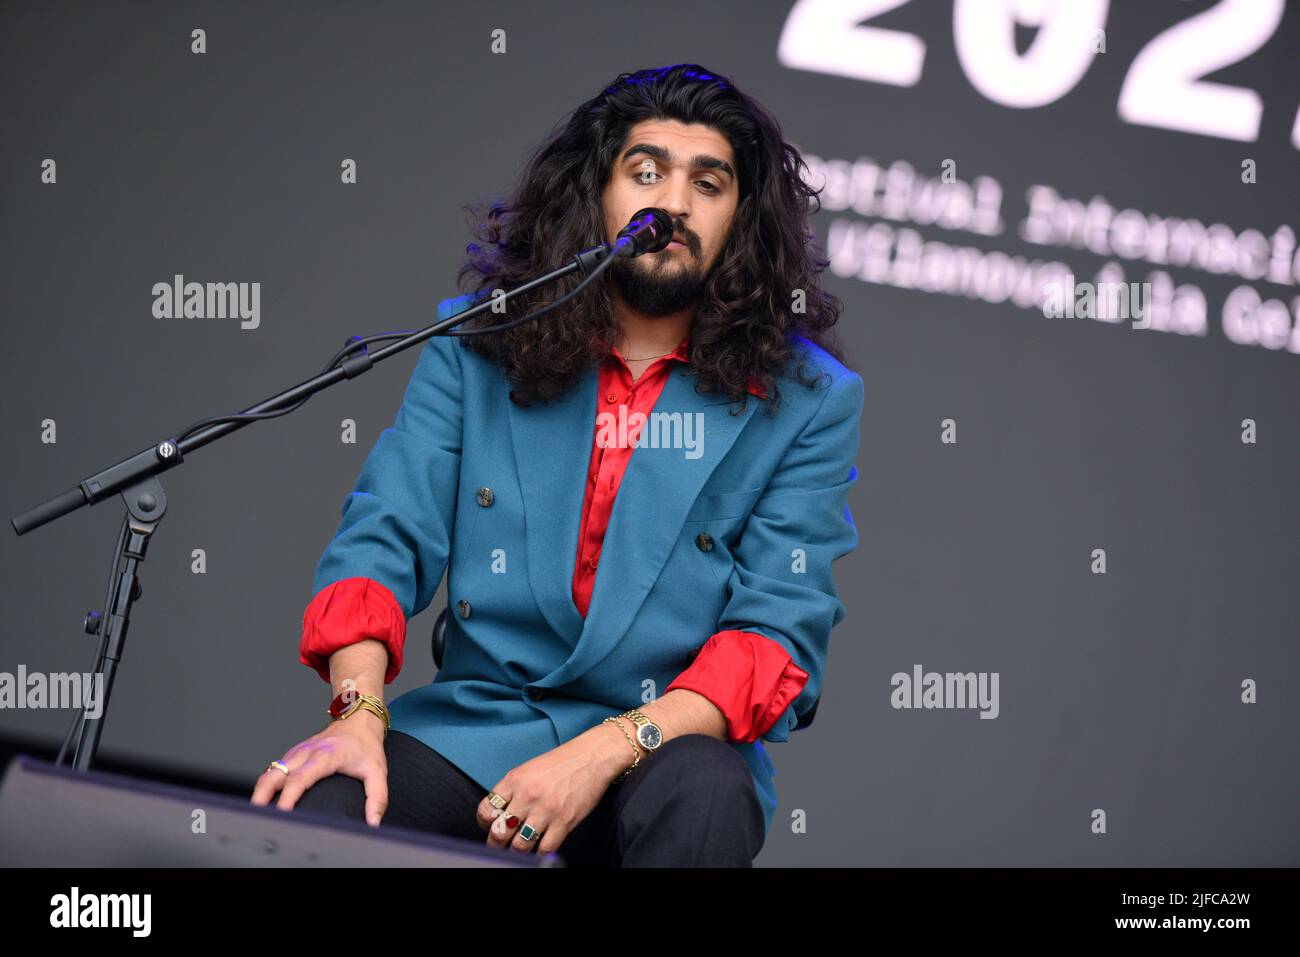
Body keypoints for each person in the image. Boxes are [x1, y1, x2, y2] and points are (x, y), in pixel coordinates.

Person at [249, 63, 863, 867]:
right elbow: (382, 541)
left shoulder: (809, 399)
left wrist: (603, 749)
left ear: (741, 221)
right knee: (326, 798)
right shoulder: (480, 341)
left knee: (709, 796)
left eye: (707, 184)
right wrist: (357, 714)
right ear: (595, 195)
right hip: (475, 730)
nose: (672, 203)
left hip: (660, 747)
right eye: (645, 172)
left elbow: (777, 637)